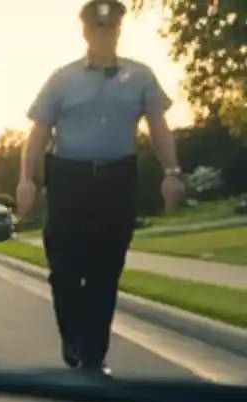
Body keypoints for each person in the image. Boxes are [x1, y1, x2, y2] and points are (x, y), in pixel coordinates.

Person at [16, 0, 184, 378]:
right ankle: (73, 338)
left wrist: (172, 171)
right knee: (64, 267)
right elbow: (38, 132)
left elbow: (158, 127)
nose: (104, 34)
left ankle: (93, 354)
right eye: (97, 28)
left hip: (116, 180)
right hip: (70, 180)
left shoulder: (141, 77)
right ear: (86, 31)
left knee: (106, 270)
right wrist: (27, 179)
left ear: (119, 31)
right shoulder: (62, 79)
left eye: (111, 28)